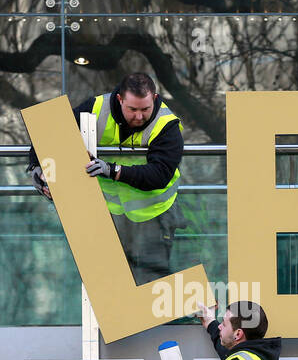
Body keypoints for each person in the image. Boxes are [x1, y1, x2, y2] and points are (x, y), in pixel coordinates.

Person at [27, 72, 185, 283]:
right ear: (119, 99)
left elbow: (159, 175)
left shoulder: (166, 124)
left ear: (155, 99)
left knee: (152, 281)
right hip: (107, 213)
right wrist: (37, 167)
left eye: (145, 109)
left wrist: (113, 170)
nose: (139, 116)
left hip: (155, 213)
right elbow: (50, 135)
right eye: (132, 109)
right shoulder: (96, 107)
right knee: (109, 282)